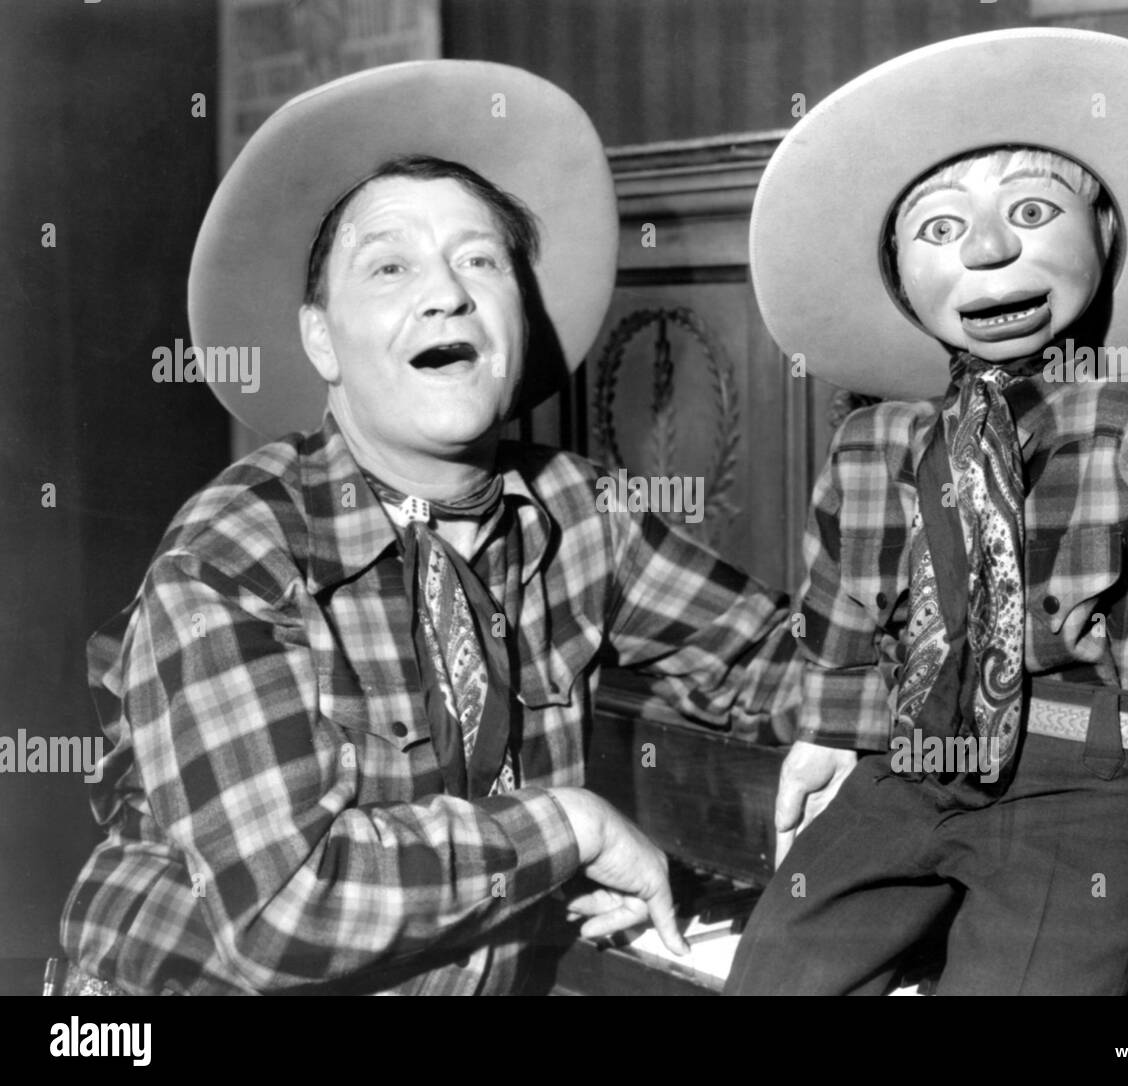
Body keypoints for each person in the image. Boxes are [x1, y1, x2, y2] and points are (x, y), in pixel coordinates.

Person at [59, 60, 797, 996]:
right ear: (321, 338)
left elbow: (778, 660)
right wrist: (567, 826)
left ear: (516, 318)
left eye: (480, 260)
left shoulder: (579, 510)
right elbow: (285, 909)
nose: (447, 294)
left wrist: (865, 709)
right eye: (391, 265)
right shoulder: (233, 552)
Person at [725, 28, 1128, 995]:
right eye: (940, 230)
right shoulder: (882, 437)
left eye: (1032, 211)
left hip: (1092, 784)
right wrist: (828, 732)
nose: (990, 250)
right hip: (911, 757)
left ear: (1104, 237)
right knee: (779, 963)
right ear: (899, 277)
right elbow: (843, 610)